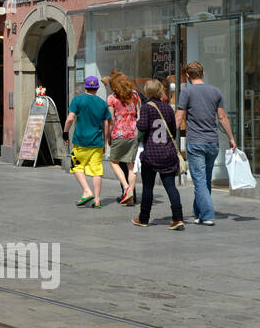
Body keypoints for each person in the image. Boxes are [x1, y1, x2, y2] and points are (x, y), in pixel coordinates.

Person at [176, 61, 236, 227]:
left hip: (195, 142)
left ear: (188, 76)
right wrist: (231, 137)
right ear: (203, 74)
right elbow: (222, 118)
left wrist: (168, 137)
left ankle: (208, 215)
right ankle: (200, 213)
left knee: (200, 181)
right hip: (212, 143)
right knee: (205, 179)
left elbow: (179, 117)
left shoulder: (186, 92)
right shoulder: (215, 92)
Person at [133, 79, 185, 230]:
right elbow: (173, 130)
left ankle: (143, 218)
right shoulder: (168, 108)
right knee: (171, 187)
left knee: (148, 187)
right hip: (168, 153)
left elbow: (142, 126)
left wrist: (138, 122)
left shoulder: (146, 107)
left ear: (147, 91)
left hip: (151, 153)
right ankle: (178, 218)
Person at [64, 75, 112, 208]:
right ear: (97, 88)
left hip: (80, 141)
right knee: (97, 171)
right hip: (97, 142)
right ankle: (97, 200)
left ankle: (87, 190)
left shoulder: (78, 100)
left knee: (76, 166)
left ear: (85, 87)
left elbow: (70, 118)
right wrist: (105, 140)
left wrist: (65, 133)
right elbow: (106, 124)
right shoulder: (102, 103)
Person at [106, 71, 141, 205]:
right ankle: (130, 196)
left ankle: (126, 188)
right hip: (133, 133)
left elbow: (111, 120)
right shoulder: (135, 96)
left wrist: (109, 136)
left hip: (119, 134)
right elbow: (139, 115)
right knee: (131, 165)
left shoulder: (112, 98)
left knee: (114, 161)